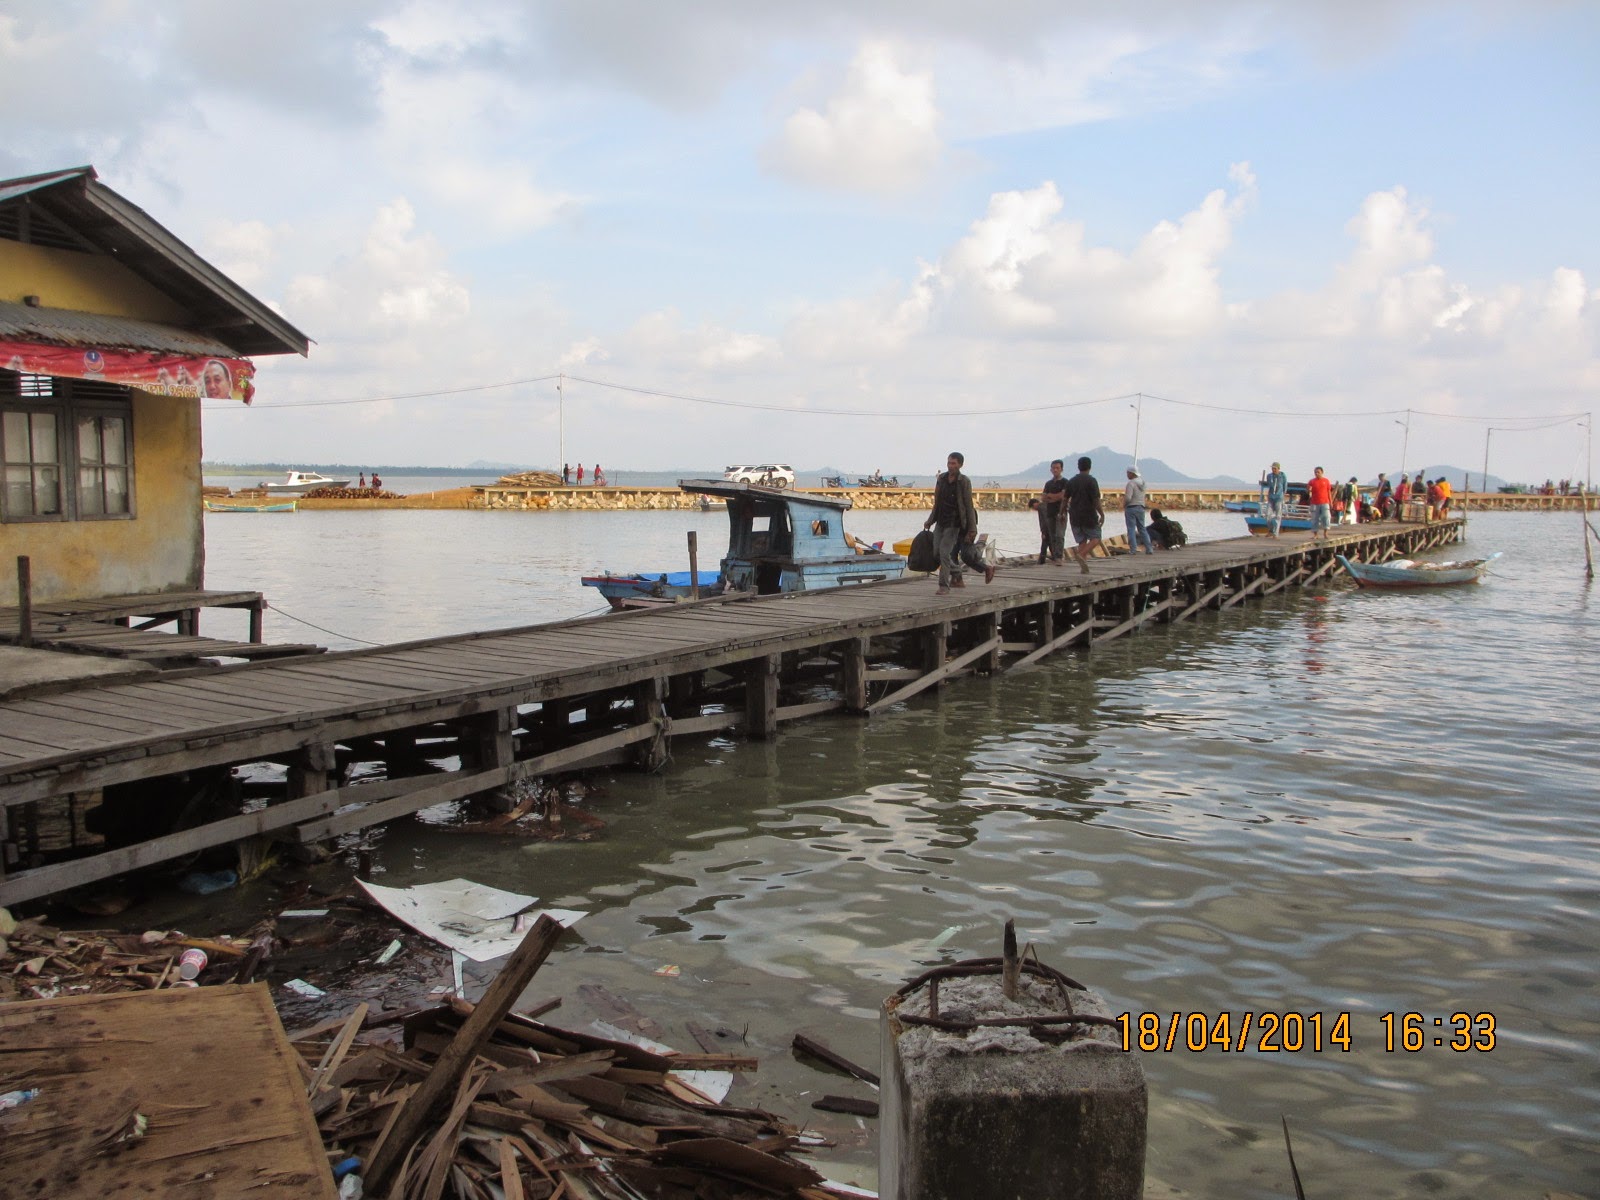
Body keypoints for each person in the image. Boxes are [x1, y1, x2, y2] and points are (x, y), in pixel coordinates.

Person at [922, 451, 993, 593]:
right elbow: (937, 502)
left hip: (954, 524)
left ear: (960, 465)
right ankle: (959, 572)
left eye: (953, 463)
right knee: (936, 553)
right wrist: (930, 520)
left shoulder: (964, 481)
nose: (950, 466)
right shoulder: (941, 479)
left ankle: (943, 586)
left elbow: (968, 506)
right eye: (949, 463)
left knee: (944, 553)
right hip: (941, 521)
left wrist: (972, 529)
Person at [1064, 456, 1105, 574]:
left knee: (1082, 540)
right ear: (1090, 467)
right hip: (1088, 514)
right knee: (1096, 537)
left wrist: (1062, 513)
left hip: (1074, 515)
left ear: (1078, 467)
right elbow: (1096, 500)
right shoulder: (1092, 481)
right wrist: (1101, 513)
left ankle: (1083, 567)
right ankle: (1081, 554)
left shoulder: (1072, 481)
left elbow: (1065, 499)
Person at [1040, 459, 1068, 564]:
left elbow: (1063, 496)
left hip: (1061, 512)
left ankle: (1059, 557)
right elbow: (1043, 498)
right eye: (1053, 468)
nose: (1055, 470)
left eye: (1057, 468)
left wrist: (1051, 496)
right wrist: (1055, 497)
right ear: (1051, 469)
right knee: (1052, 536)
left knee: (1059, 535)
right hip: (1050, 512)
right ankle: (1055, 556)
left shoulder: (1065, 482)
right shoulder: (1048, 483)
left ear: (1061, 469)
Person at [1124, 466, 1154, 554]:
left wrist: (1124, 505)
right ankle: (1149, 548)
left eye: (1128, 473)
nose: (1127, 475)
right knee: (1142, 528)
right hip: (1141, 507)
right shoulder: (1143, 483)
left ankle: (1133, 549)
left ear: (1132, 473)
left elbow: (1128, 497)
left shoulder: (1131, 483)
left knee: (1131, 529)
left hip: (1131, 507)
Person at [1262, 462, 1288, 538]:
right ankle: (1271, 530)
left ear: (1278, 468)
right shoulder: (1269, 476)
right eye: (1272, 468)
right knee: (1267, 515)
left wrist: (1283, 495)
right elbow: (1269, 485)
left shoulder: (1282, 476)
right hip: (1271, 498)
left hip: (1279, 498)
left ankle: (1275, 533)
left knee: (1278, 516)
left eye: (1275, 468)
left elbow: (1285, 486)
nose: (1273, 470)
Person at [1306, 466, 1333, 540]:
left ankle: (1325, 533)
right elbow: (1307, 491)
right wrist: (1309, 489)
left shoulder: (1326, 481)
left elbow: (1329, 492)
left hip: (1325, 502)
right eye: (1315, 472)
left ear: (1322, 472)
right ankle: (1315, 534)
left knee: (1326, 517)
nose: (1316, 474)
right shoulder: (1311, 481)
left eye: (1318, 472)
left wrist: (1331, 502)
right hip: (1314, 502)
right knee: (1315, 519)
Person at [1028, 498, 1049, 564]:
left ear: (1035, 504)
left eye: (1033, 507)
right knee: (1049, 543)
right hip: (1049, 528)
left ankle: (1042, 560)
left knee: (1045, 543)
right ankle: (1053, 558)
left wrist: (1044, 532)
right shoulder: (1043, 506)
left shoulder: (1041, 508)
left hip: (1047, 529)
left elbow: (1044, 521)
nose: (1034, 509)